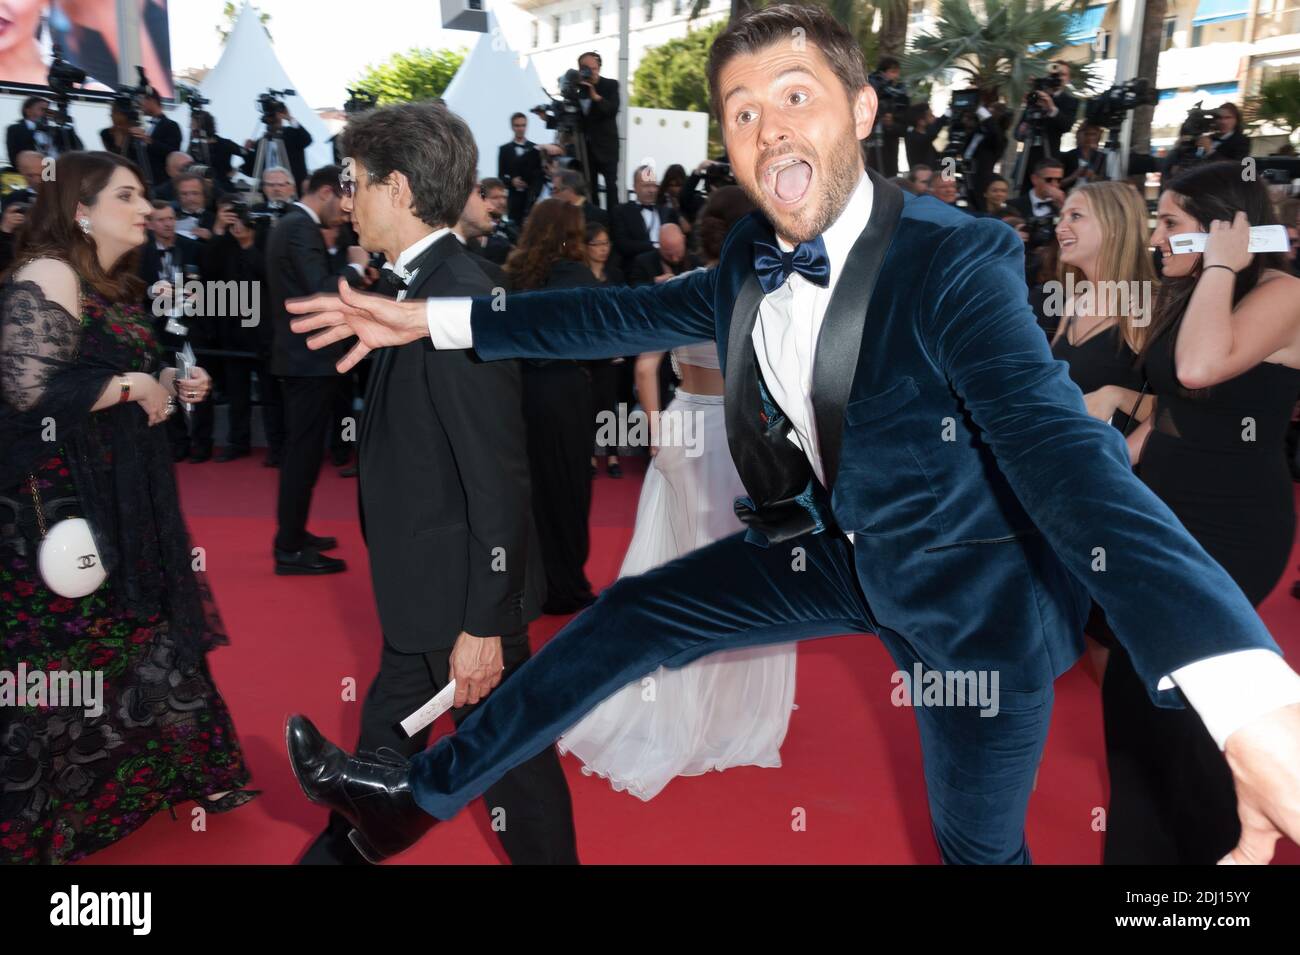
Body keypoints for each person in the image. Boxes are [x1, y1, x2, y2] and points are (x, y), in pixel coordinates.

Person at [284, 4, 1300, 867]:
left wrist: (1246, 698)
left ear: (861, 111)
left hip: (974, 600)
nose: (769, 130)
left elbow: (1067, 462)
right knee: (630, 616)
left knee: (978, 849)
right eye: (741, 112)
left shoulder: (957, 260)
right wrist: (433, 317)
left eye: (795, 97)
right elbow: (616, 315)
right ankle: (410, 799)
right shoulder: (748, 260)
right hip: (835, 547)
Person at [297, 103, 577, 865]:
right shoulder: (423, 285)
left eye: (354, 184)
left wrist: (485, 625)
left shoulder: (456, 296)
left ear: (398, 188)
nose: (345, 200)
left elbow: (498, 475)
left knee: (512, 781)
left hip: (462, 608)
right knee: (419, 775)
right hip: (429, 600)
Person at [0, 151, 255, 864]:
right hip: (53, 511)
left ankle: (153, 779)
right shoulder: (47, 273)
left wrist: (173, 381)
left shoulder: (111, 287)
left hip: (114, 497)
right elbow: (24, 394)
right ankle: (43, 814)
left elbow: (108, 374)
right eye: (128, 194)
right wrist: (130, 386)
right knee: (64, 654)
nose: (147, 206)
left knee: (136, 632)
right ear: (80, 206)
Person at [558, 184, 799, 799]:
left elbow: (641, 369)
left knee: (677, 568)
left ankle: (677, 704)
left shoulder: (675, 289)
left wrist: (660, 438)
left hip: (686, 429)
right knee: (745, 581)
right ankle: (727, 716)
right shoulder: (772, 296)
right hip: (745, 442)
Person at [1102, 161, 1300, 864]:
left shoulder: (1284, 292)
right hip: (1161, 517)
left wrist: (1218, 267)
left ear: (1225, 230)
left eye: (1171, 224)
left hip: (1230, 530)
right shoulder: (1193, 293)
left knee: (1193, 721)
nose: (1156, 237)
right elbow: (1168, 413)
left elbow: (1197, 370)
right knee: (1133, 701)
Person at [267, 166, 368, 575]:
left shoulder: (290, 225)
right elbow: (321, 292)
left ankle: (293, 534)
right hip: (307, 361)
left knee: (303, 455)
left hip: (303, 359)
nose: (345, 215)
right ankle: (289, 548)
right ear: (327, 191)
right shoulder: (298, 227)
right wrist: (356, 267)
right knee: (302, 457)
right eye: (343, 206)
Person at [502, 198, 599, 614]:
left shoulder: (514, 275)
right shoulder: (579, 277)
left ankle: (531, 585)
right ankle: (566, 587)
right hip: (564, 394)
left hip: (520, 392)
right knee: (569, 489)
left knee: (531, 491)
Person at [138, 200, 213, 462]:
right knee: (166, 386)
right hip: (157, 331)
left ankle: (203, 444)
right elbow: (130, 286)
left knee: (195, 383)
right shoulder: (139, 253)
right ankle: (177, 443)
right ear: (149, 224)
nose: (168, 223)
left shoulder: (193, 249)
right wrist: (151, 291)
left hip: (190, 329)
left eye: (171, 218)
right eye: (161, 219)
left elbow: (214, 284)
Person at [574, 50, 621, 211]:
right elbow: (574, 117)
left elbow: (612, 110)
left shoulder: (610, 85)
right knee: (590, 188)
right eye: (587, 69)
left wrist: (596, 96)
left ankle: (614, 224)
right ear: (580, 70)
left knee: (611, 188)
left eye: (595, 68)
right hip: (586, 149)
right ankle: (595, 222)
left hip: (607, 147)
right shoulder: (577, 89)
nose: (592, 72)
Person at [612, 164, 681, 274]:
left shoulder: (668, 212)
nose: (651, 190)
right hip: (636, 272)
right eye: (646, 185)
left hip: (668, 271)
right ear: (635, 187)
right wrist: (656, 246)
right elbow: (623, 245)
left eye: (654, 185)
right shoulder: (621, 211)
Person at [498, 112, 544, 226]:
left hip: (531, 197)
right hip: (514, 199)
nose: (520, 128)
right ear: (512, 127)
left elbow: (539, 173)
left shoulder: (535, 148)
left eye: (523, 125)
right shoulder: (504, 149)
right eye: (517, 125)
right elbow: (501, 175)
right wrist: (512, 181)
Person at [7, 96, 82, 160]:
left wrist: (66, 123)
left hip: (57, 171)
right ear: (28, 111)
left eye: (48, 110)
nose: (46, 113)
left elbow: (77, 147)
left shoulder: (54, 130)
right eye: (42, 109)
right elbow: (15, 156)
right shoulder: (15, 129)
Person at [137, 88, 183, 188]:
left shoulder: (171, 125)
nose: (140, 105)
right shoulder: (150, 126)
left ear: (152, 101)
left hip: (162, 182)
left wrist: (149, 141)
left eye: (142, 100)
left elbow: (174, 152)